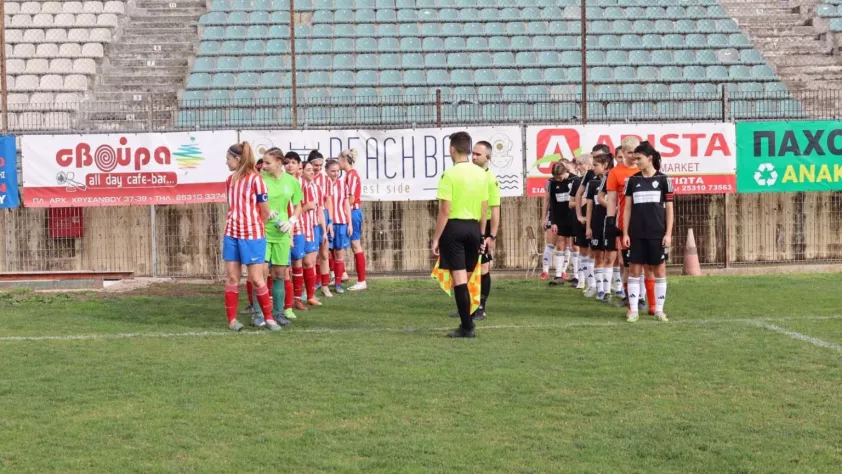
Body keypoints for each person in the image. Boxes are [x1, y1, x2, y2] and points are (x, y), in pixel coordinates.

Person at [432, 131, 488, 338]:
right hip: (474, 228)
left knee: (459, 279)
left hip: (454, 228)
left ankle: (467, 327)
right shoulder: (481, 174)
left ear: (452, 149)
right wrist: (482, 236)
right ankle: (469, 322)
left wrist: (436, 237)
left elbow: (445, 211)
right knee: (470, 277)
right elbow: (484, 210)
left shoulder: (449, 175)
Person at [221, 141, 281, 332]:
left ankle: (269, 318)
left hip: (252, 235)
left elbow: (265, 211)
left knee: (256, 278)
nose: (227, 163)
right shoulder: (230, 181)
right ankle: (231, 320)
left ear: (237, 159)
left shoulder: (257, 180)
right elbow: (232, 207)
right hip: (232, 233)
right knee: (232, 277)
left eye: (228, 159)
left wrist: (254, 227)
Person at [622, 141, 674, 323]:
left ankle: (659, 310)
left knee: (659, 270)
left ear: (650, 158)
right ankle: (633, 310)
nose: (636, 162)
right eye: (634, 158)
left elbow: (669, 209)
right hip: (636, 234)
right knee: (634, 270)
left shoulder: (664, 180)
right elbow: (627, 209)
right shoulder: (632, 181)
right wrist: (625, 233)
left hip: (657, 234)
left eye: (639, 158)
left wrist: (668, 234)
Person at [449, 140, 499, 321]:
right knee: (466, 269)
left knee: (484, 267)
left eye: (478, 154)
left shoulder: (490, 178)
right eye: (474, 154)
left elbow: (494, 209)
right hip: (471, 227)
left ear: (488, 156)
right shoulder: (472, 174)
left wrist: (492, 235)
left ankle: (481, 307)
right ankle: (467, 306)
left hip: (482, 228)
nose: (474, 157)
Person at [261, 147, 302, 326]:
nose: (264, 165)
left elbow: (298, 205)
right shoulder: (260, 179)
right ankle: (259, 313)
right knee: (259, 274)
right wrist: (265, 212)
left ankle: (278, 312)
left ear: (279, 162)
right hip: (262, 232)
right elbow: (254, 202)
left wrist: (291, 221)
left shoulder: (291, 181)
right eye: (263, 162)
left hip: (282, 234)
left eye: (268, 162)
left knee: (279, 274)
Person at [604, 137, 641, 306]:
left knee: (643, 263)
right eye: (630, 152)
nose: (633, 156)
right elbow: (612, 199)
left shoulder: (645, 170)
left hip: (644, 222)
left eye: (636, 152)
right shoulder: (615, 173)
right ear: (623, 153)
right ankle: (628, 296)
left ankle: (641, 298)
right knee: (626, 264)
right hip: (623, 224)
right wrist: (611, 221)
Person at [585, 153, 613, 301]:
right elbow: (589, 207)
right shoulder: (593, 184)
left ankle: (612, 289)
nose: (593, 168)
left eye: (596, 165)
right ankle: (600, 289)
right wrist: (588, 227)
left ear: (605, 166)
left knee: (611, 257)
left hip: (611, 224)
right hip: (596, 223)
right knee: (598, 256)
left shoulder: (614, 181)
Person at [283, 151, 310, 314]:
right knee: (283, 268)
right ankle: (286, 301)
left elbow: (303, 205)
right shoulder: (280, 181)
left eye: (293, 162)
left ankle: (298, 299)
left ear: (299, 165)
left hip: (298, 228)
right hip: (283, 229)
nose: (290, 165)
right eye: (287, 162)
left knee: (298, 263)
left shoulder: (302, 183)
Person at [339, 149, 368, 291]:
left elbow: (350, 198)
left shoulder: (351, 176)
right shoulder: (349, 175)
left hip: (353, 212)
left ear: (344, 160)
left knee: (356, 245)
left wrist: (342, 211)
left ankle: (362, 280)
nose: (338, 163)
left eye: (339, 160)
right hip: (352, 211)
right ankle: (342, 274)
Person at [309, 150, 334, 298]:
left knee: (324, 254)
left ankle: (325, 286)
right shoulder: (304, 179)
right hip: (309, 218)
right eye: (315, 165)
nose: (317, 167)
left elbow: (328, 201)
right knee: (310, 257)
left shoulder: (326, 181)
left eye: (320, 165)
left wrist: (330, 220)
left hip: (322, 216)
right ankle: (309, 288)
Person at [300, 160, 325, 307]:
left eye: (312, 169)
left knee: (311, 262)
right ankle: (299, 294)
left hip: (314, 227)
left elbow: (320, 210)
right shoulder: (298, 186)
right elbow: (295, 208)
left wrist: (324, 230)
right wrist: (306, 207)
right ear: (301, 171)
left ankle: (310, 295)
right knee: (303, 262)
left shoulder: (317, 188)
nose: (311, 172)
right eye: (308, 169)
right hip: (302, 227)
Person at [327, 158, 353, 294]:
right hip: (327, 224)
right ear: (327, 171)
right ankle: (322, 282)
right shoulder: (322, 184)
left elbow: (346, 204)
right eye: (332, 171)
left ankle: (338, 283)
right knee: (324, 255)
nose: (336, 174)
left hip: (341, 223)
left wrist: (350, 223)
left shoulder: (343, 185)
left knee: (339, 254)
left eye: (337, 171)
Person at [547, 160, 575, 286]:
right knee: (560, 244)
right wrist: (553, 221)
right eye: (556, 177)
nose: (558, 180)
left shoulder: (574, 181)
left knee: (575, 245)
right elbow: (552, 203)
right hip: (560, 218)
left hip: (573, 218)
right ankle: (558, 276)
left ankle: (577, 276)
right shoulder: (553, 184)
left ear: (565, 171)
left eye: (560, 177)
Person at [568, 153, 594, 289]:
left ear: (589, 165)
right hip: (580, 221)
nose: (577, 167)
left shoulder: (599, 180)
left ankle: (597, 283)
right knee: (583, 250)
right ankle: (583, 280)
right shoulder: (577, 182)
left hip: (595, 221)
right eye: (577, 164)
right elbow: (570, 203)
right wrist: (580, 202)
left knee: (596, 252)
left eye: (580, 164)